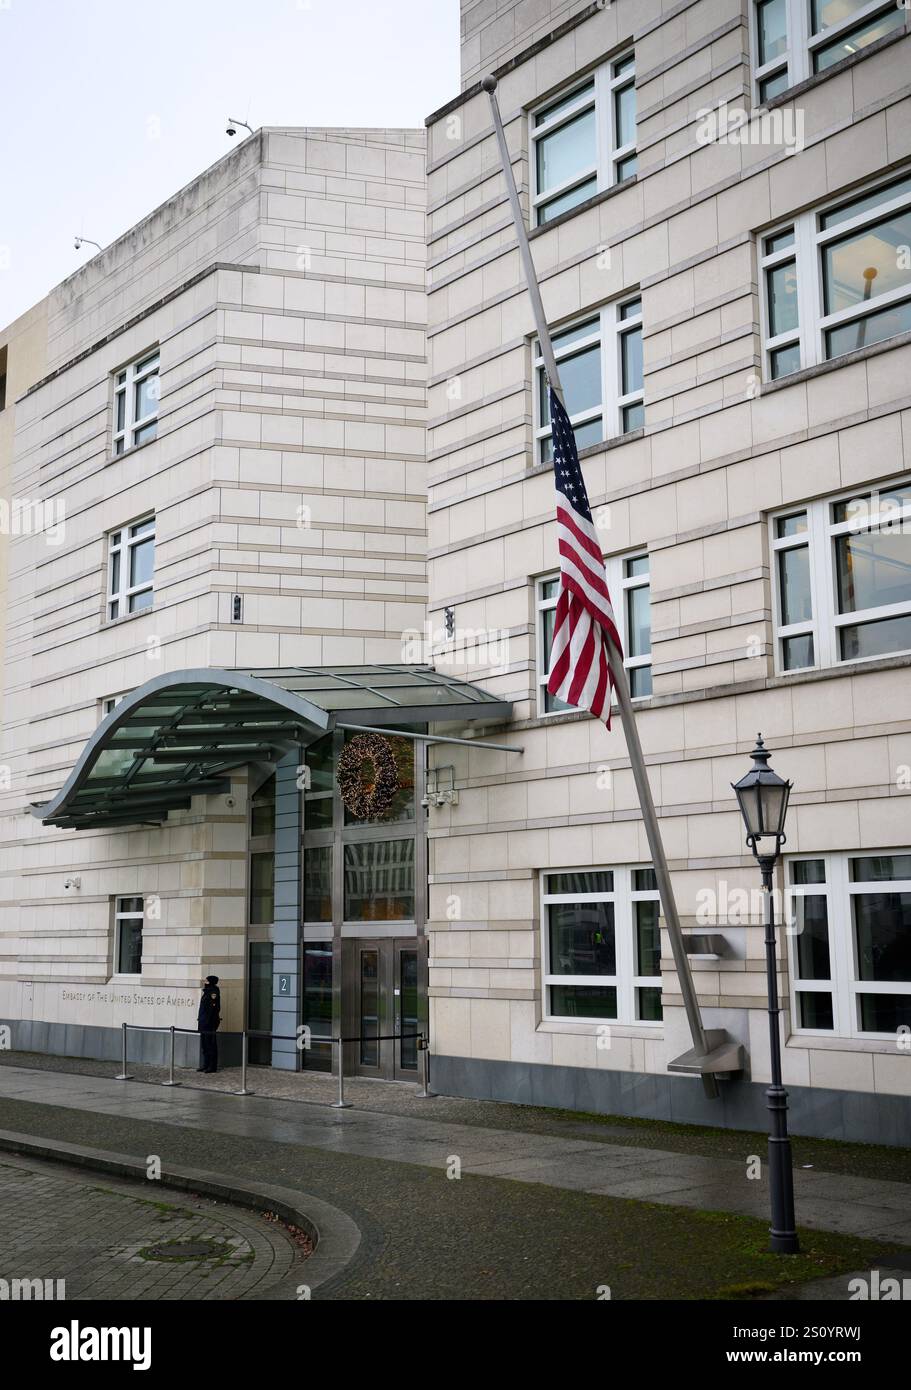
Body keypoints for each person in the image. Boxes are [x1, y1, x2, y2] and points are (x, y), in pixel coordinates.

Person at [197, 975, 221, 1074]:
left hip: (209, 1023)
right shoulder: (207, 992)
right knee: (205, 1045)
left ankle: (212, 1066)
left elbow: (213, 1009)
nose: (205, 982)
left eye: (207, 980)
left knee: (210, 1045)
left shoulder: (213, 992)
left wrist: (208, 1021)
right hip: (203, 1022)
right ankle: (206, 1064)